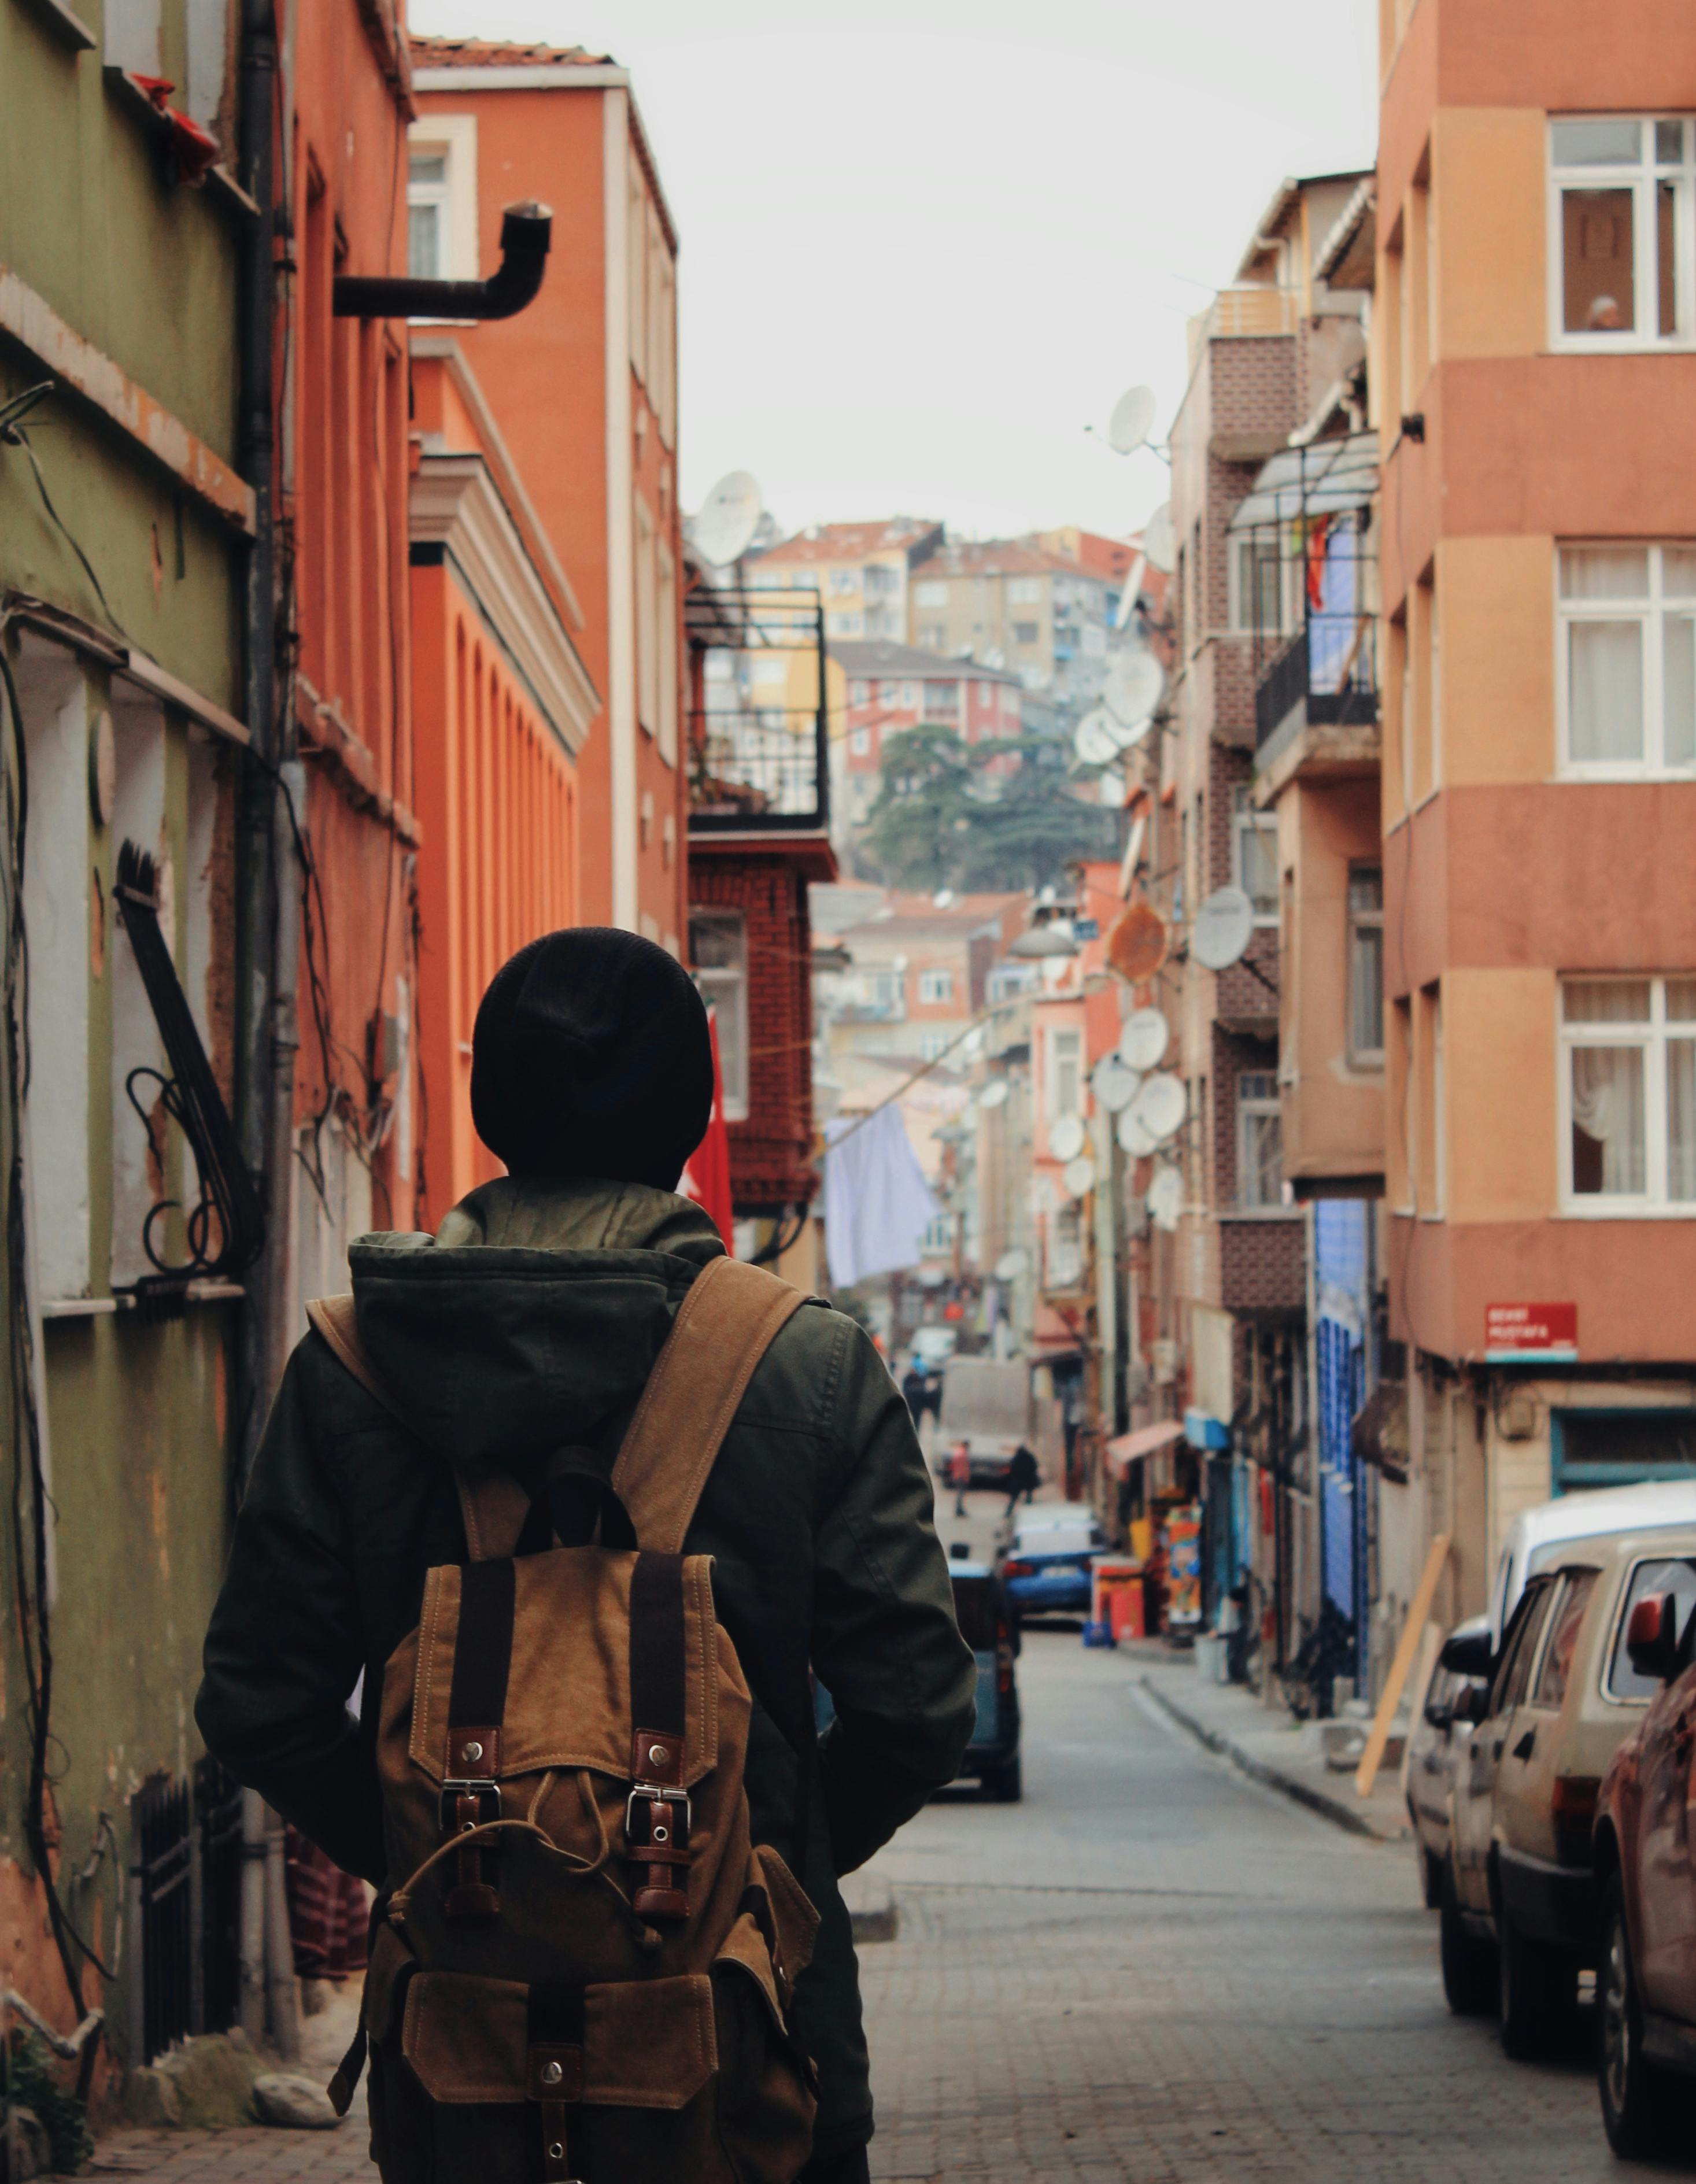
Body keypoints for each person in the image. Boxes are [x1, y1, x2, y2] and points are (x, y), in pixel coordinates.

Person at [197, 927, 976, 2184]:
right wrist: (759, 1860)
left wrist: (441, 1856)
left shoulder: (345, 1369)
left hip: (462, 2071)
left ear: (488, 1105)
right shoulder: (807, 1364)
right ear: (698, 1109)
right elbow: (919, 1709)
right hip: (756, 2064)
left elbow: (255, 1697)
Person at [1004, 1442, 1040, 1517]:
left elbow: (1012, 1469)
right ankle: (1028, 1514)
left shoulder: (1016, 1458)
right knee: (1028, 1498)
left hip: (1018, 1481)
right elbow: (1035, 1466)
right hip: (1028, 1480)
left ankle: (1008, 1513)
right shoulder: (1029, 1457)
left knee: (1013, 1499)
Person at [948, 1437, 971, 1517]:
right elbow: (965, 1468)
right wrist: (966, 1477)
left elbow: (953, 1465)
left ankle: (959, 1509)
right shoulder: (963, 1454)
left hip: (956, 1475)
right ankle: (959, 1510)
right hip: (961, 1476)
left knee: (959, 1494)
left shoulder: (958, 1453)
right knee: (960, 1494)